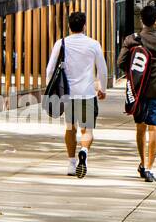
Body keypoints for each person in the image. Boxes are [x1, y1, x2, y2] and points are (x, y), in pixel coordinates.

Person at [116, 4, 156, 182]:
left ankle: (142, 162)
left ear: (141, 21)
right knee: (154, 128)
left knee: (140, 127)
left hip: (138, 91)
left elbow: (120, 62)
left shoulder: (131, 39)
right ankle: (149, 168)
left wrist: (133, 74)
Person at [44, 10, 109, 178]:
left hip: (68, 94)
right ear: (84, 26)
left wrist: (50, 89)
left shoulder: (61, 43)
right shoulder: (93, 44)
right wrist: (103, 88)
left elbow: (50, 69)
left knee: (70, 128)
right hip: (87, 93)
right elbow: (102, 69)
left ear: (69, 26)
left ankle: (72, 163)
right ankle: (84, 151)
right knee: (87, 129)